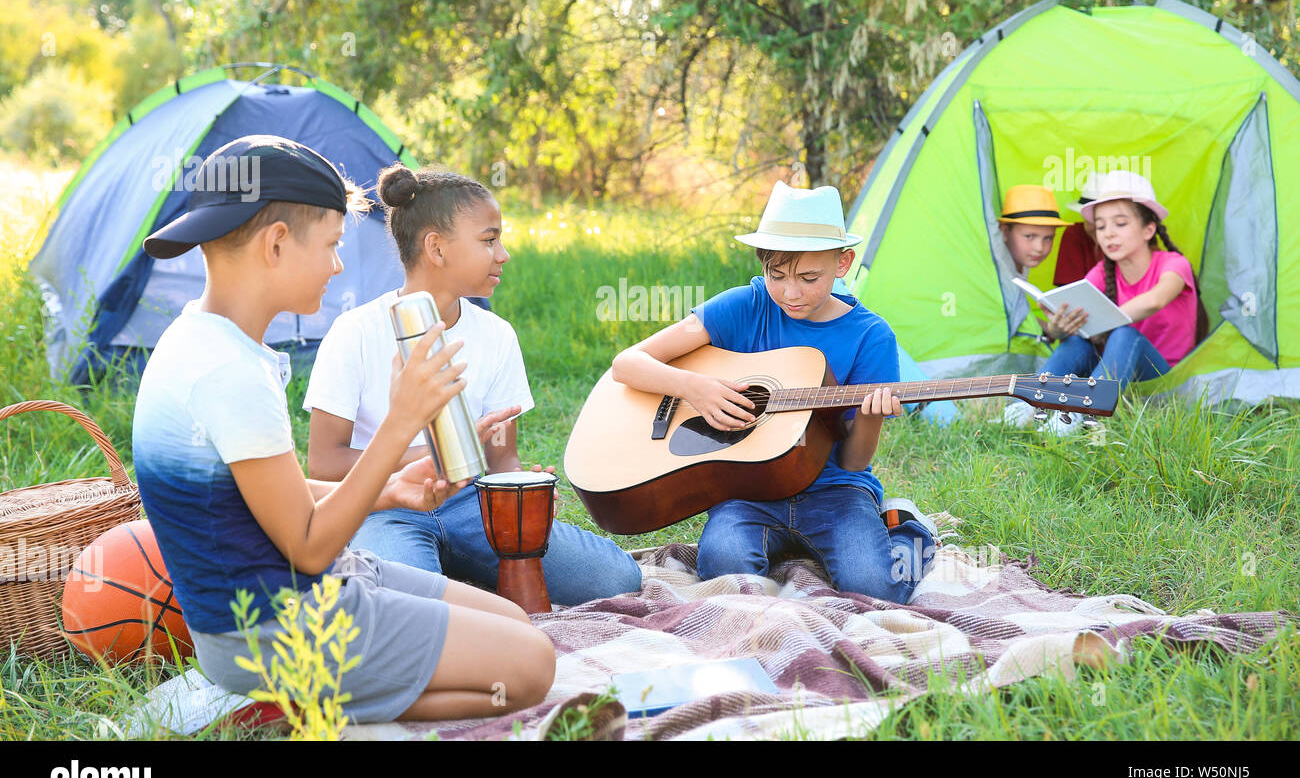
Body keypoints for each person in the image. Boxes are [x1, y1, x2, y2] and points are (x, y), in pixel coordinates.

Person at [132, 136, 554, 723]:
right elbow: (308, 544)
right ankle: (297, 705)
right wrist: (402, 420)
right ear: (277, 243)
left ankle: (326, 696)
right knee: (532, 666)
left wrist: (390, 490)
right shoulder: (227, 373)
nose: (337, 264)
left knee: (512, 622)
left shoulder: (206, 339)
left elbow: (263, 498)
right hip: (274, 630)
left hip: (305, 588)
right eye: (331, 245)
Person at [304, 164, 642, 605]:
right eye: (489, 239)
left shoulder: (497, 335)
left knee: (616, 579)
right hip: (386, 509)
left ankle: (458, 564)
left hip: (473, 507)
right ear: (436, 248)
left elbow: (501, 458)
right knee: (412, 610)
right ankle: (441, 571)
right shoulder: (356, 332)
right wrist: (445, 456)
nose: (503, 254)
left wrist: (522, 494)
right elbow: (324, 465)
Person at [609, 180, 937, 604]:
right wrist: (698, 388)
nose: (789, 292)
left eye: (808, 277)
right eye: (776, 274)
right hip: (748, 490)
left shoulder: (871, 336)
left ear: (843, 263)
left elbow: (856, 460)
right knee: (723, 572)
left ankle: (908, 526)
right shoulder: (748, 304)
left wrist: (871, 416)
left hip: (836, 490)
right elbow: (627, 364)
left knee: (874, 588)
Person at [1003, 170, 1207, 435]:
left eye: (1120, 224)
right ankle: (1028, 406)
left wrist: (1106, 319)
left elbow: (1155, 300)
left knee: (1123, 335)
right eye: (1101, 227)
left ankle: (1081, 412)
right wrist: (1061, 325)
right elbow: (1077, 324)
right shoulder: (1101, 271)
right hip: (1119, 379)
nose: (1108, 234)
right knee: (1076, 341)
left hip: (1164, 385)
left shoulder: (1173, 264)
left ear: (1149, 229)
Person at [998, 184, 1068, 276]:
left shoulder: (1022, 264)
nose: (1039, 248)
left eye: (1048, 238)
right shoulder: (992, 273)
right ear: (1005, 232)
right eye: (1029, 236)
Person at [1053, 177, 1104, 286]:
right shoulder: (1075, 234)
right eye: (1091, 217)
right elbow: (1069, 290)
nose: (1098, 226)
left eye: (1119, 223)